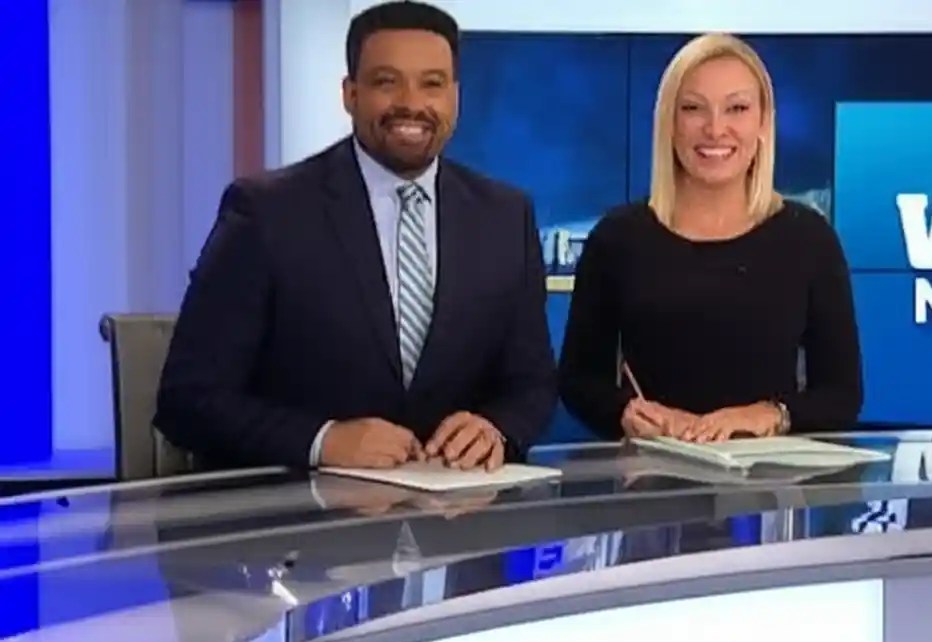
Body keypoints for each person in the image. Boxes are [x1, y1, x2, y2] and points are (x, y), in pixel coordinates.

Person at [155, 1, 556, 472]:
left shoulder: (505, 216)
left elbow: (532, 385)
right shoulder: (266, 212)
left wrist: (497, 427)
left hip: (454, 507)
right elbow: (187, 399)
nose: (411, 103)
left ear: (455, 96)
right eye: (387, 82)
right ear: (350, 94)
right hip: (300, 508)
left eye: (432, 83)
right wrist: (322, 442)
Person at [558, 33, 863, 443]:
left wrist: (770, 415)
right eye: (693, 108)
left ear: (763, 121)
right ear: (669, 122)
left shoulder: (808, 239)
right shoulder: (618, 239)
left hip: (770, 477)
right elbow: (578, 381)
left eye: (736, 108)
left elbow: (842, 395)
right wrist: (627, 413)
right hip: (654, 473)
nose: (715, 129)